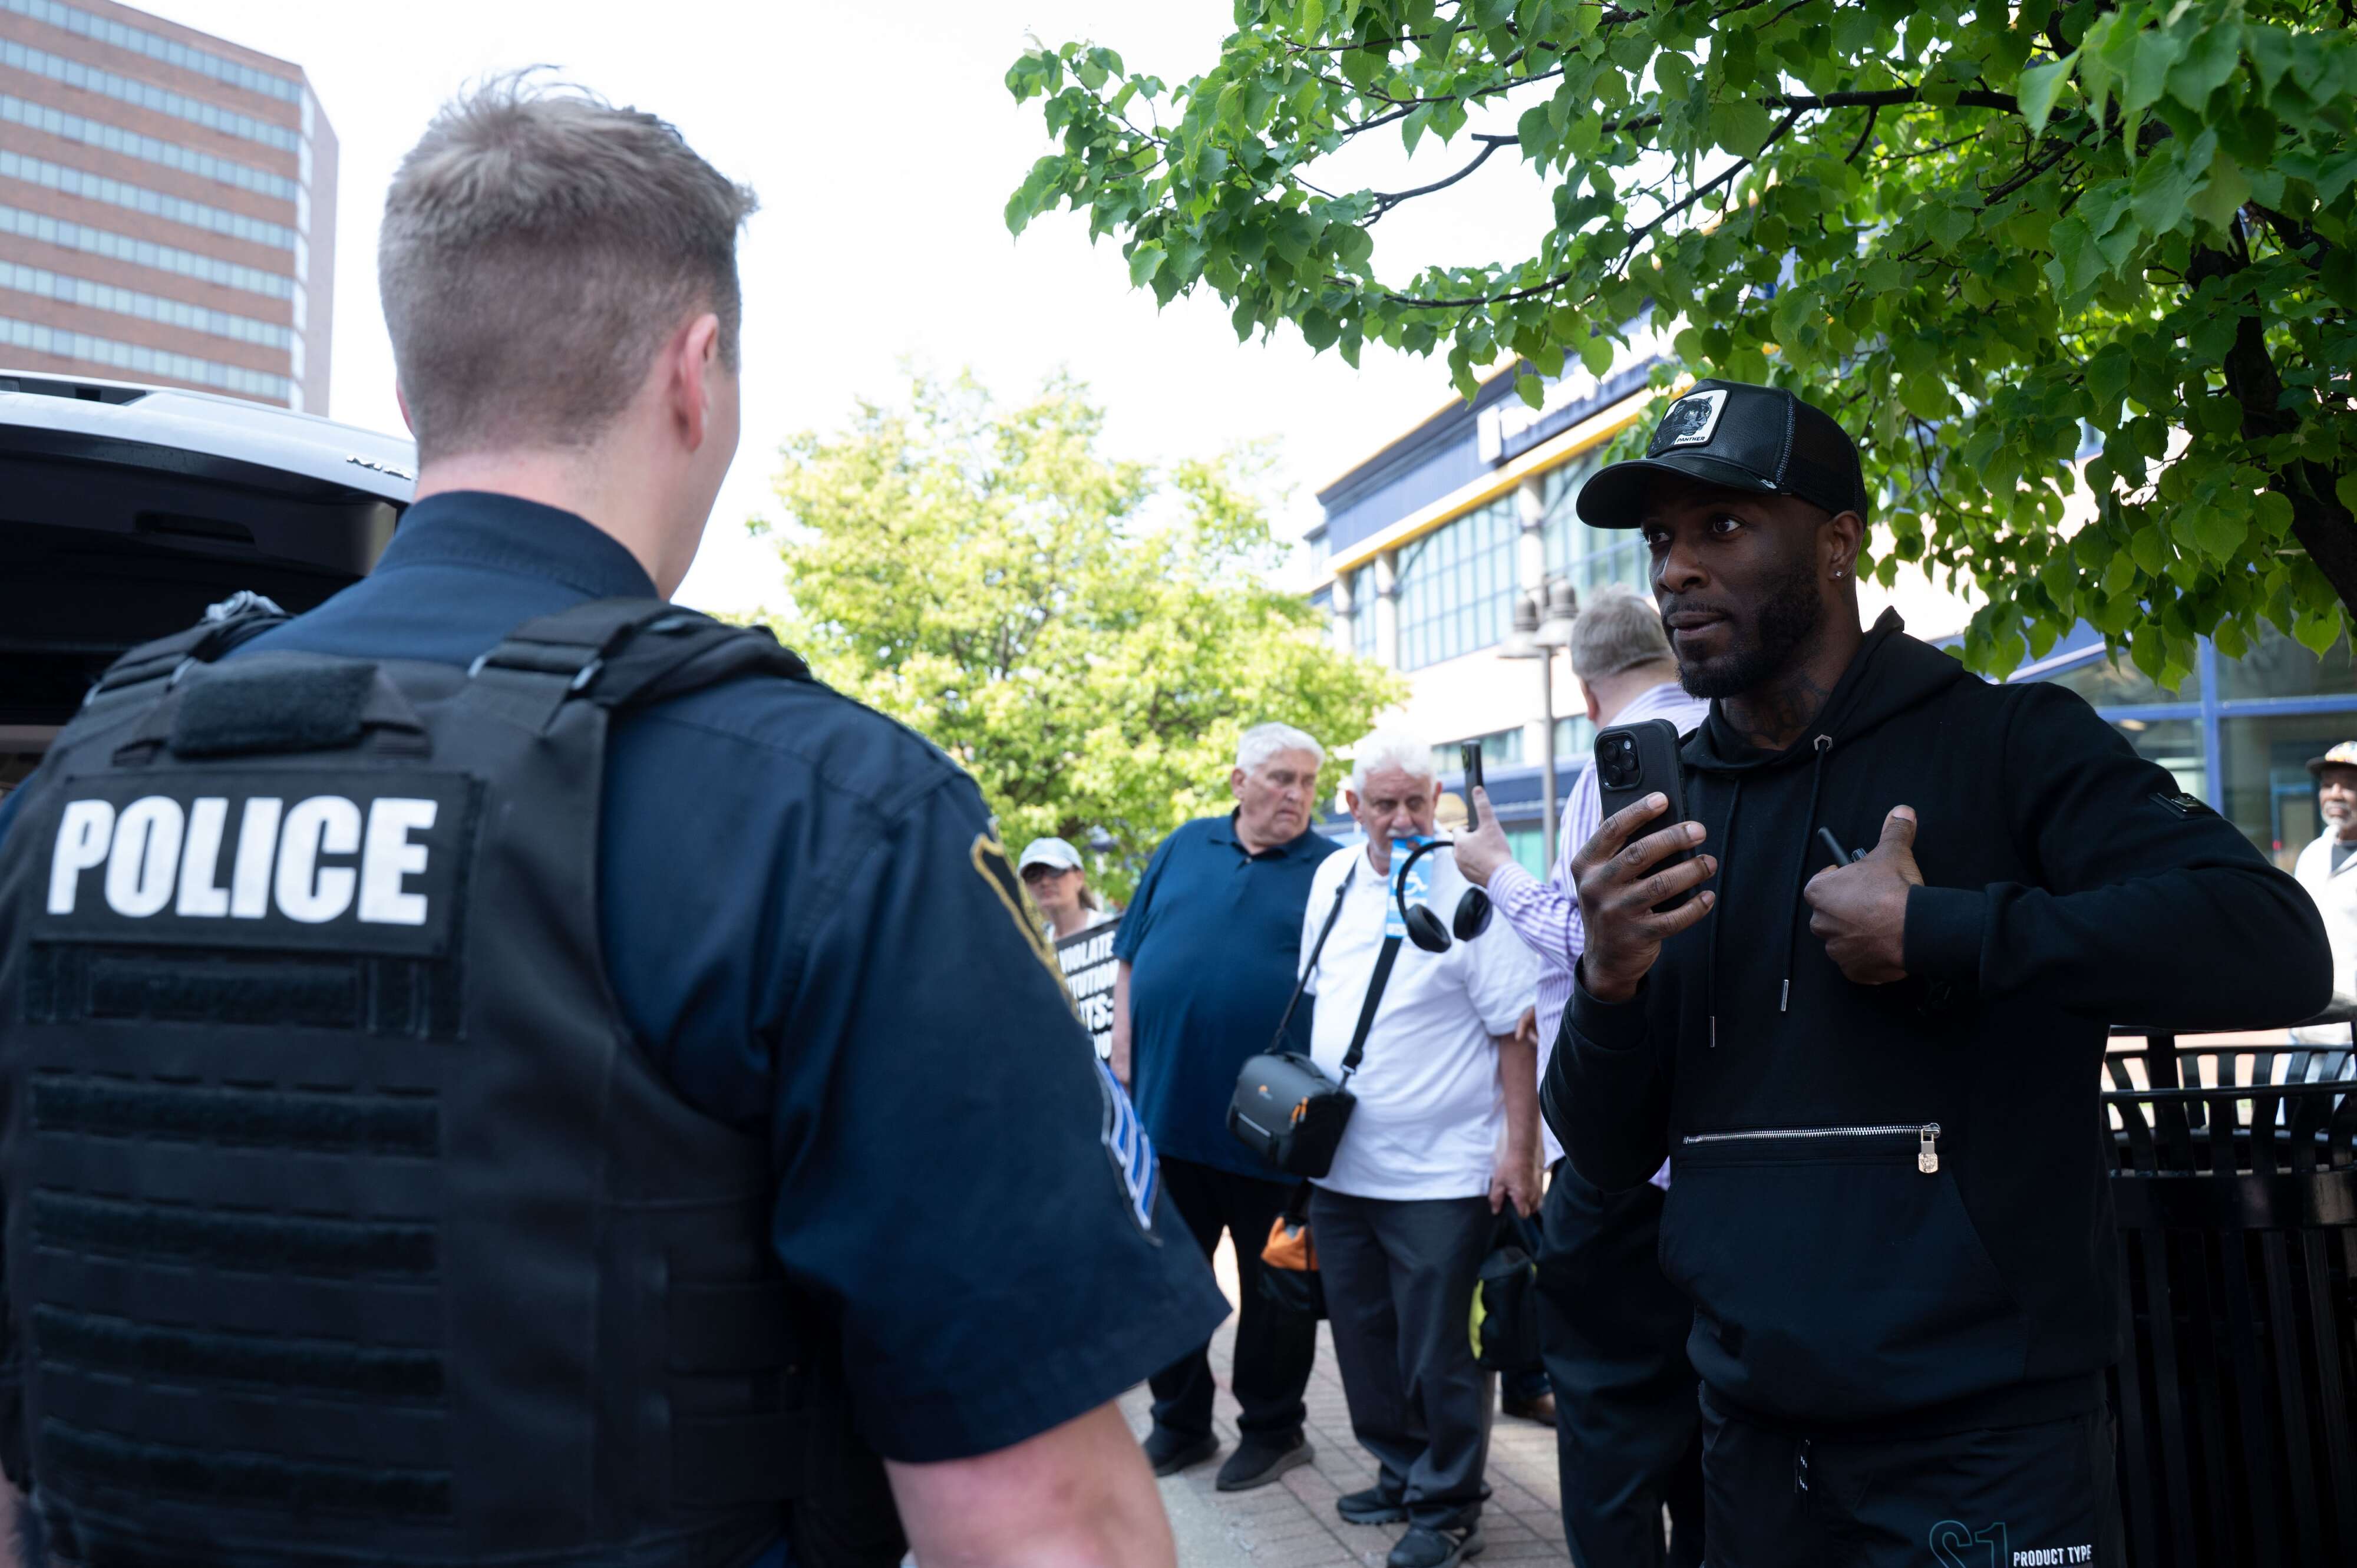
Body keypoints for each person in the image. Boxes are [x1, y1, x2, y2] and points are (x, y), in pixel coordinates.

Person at [0, 80, 1228, 1568]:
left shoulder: (71, 798)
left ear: (416, 390)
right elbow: (1044, 1536)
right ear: (694, 373)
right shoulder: (823, 813)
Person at [1545, 378, 2332, 1566]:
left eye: (1722, 527)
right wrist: (1606, 981)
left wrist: (1944, 931)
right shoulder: (1669, 810)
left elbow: (2267, 942)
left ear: (1836, 541)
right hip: (1750, 1443)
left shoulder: (2007, 741)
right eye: (1660, 538)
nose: (1675, 572)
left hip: (1983, 1441)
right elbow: (1606, 1152)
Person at [1453, 584, 1707, 1568]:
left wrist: (1494, 871)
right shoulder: (1729, 734)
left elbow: (1611, 942)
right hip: (1715, 1153)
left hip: (1626, 1161)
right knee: (1706, 1418)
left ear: (1586, 693)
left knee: (1605, 1431)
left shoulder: (1626, 766)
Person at [1300, 729, 1542, 1568]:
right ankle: (1402, 1472)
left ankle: (1448, 1506)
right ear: (1354, 805)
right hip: (1340, 1169)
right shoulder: (1331, 876)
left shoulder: (1460, 884)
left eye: (1418, 800)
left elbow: (1517, 1030)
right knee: (1364, 1341)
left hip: (1443, 1172)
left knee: (1440, 1352)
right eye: (1387, 802)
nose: (1405, 817)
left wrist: (1522, 1149)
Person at [1108, 722, 1335, 1489]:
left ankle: (1274, 1430)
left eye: (1307, 780)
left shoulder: (1335, 869)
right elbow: (1132, 959)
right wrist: (1124, 1063)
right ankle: (1180, 1422)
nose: (1295, 794)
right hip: (1167, 1114)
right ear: (1238, 782)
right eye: (1279, 778)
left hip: (1276, 1130)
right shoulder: (1183, 845)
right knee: (1164, 1279)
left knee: (1277, 1287)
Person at [2293, 742, 2357, 1045]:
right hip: (2304, 1029)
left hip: (2351, 1035)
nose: (2335, 794)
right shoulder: (2312, 854)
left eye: (2350, 786)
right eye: (2328, 784)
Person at [1019, 836, 1115, 940]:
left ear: (1079, 877)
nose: (1044, 882)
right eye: (1033, 875)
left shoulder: (1114, 934)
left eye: (1054, 871)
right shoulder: (1035, 945)